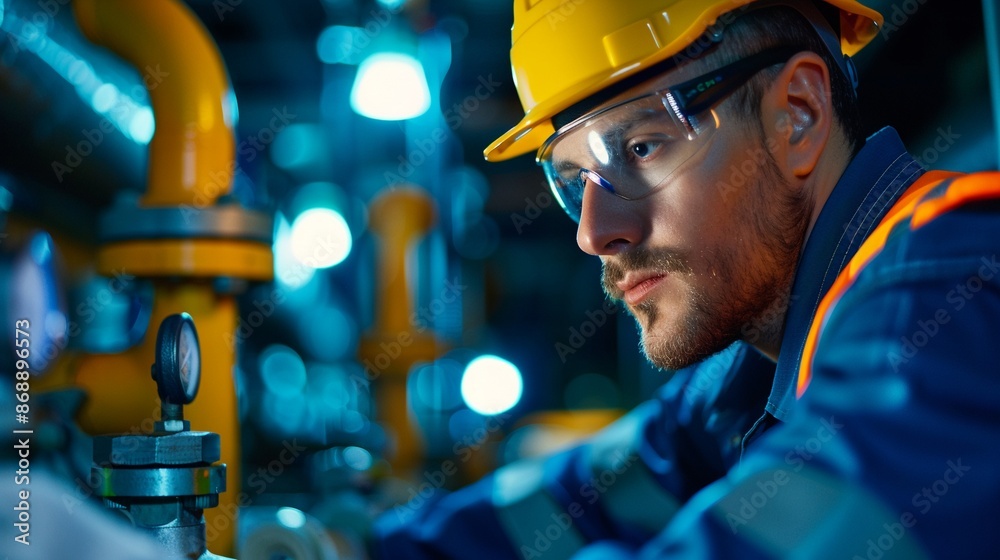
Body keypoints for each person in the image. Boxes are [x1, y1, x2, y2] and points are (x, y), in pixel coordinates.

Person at [372, 0, 1000, 557]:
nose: (593, 232)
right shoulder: (751, 369)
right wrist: (361, 544)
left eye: (641, 148)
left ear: (799, 115)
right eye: (573, 182)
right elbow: (588, 499)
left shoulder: (953, 288)